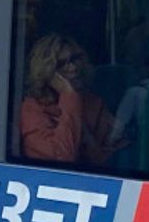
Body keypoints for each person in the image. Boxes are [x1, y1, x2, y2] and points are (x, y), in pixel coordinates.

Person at [19, 33, 117, 167]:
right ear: (48, 72)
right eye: (61, 64)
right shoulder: (32, 110)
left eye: (74, 59)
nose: (73, 68)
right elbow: (62, 158)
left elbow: (112, 155)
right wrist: (68, 95)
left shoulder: (93, 103)